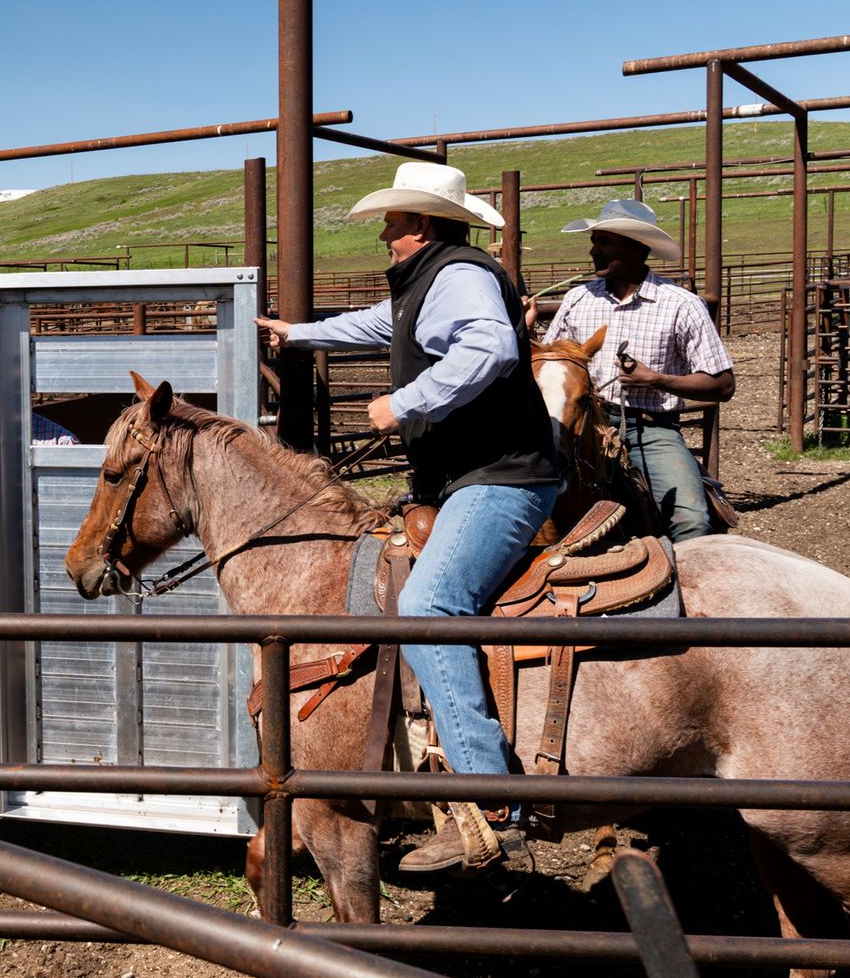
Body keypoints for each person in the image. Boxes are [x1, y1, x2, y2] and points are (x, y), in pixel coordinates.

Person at [255, 160, 561, 874]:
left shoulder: (458, 275)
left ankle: (489, 804)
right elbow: (375, 324)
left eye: (391, 223)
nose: (384, 236)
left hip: (502, 478)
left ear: (420, 225)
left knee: (430, 602)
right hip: (473, 477)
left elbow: (493, 345)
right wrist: (297, 334)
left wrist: (407, 400)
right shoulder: (427, 282)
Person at [539, 199, 734, 544]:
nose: (593, 251)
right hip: (581, 424)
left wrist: (657, 379)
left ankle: (684, 588)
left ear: (636, 249)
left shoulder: (680, 304)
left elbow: (722, 385)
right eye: (594, 241)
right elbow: (551, 364)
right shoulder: (578, 299)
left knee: (691, 519)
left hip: (651, 428)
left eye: (604, 242)